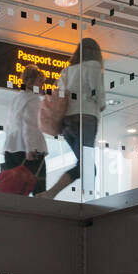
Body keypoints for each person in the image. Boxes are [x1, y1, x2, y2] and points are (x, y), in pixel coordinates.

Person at [39, 38, 104, 200]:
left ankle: (54, 194)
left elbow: (60, 93)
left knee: (85, 165)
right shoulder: (93, 66)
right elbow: (96, 90)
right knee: (87, 165)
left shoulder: (67, 70)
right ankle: (86, 201)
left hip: (67, 122)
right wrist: (101, 104)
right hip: (86, 118)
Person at [1, 63, 48, 193]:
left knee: (14, 190)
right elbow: (30, 126)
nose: (42, 85)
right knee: (39, 190)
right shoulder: (33, 99)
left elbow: (10, 125)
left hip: (10, 148)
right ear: (31, 81)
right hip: (29, 150)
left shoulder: (16, 99)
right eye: (40, 81)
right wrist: (31, 149)